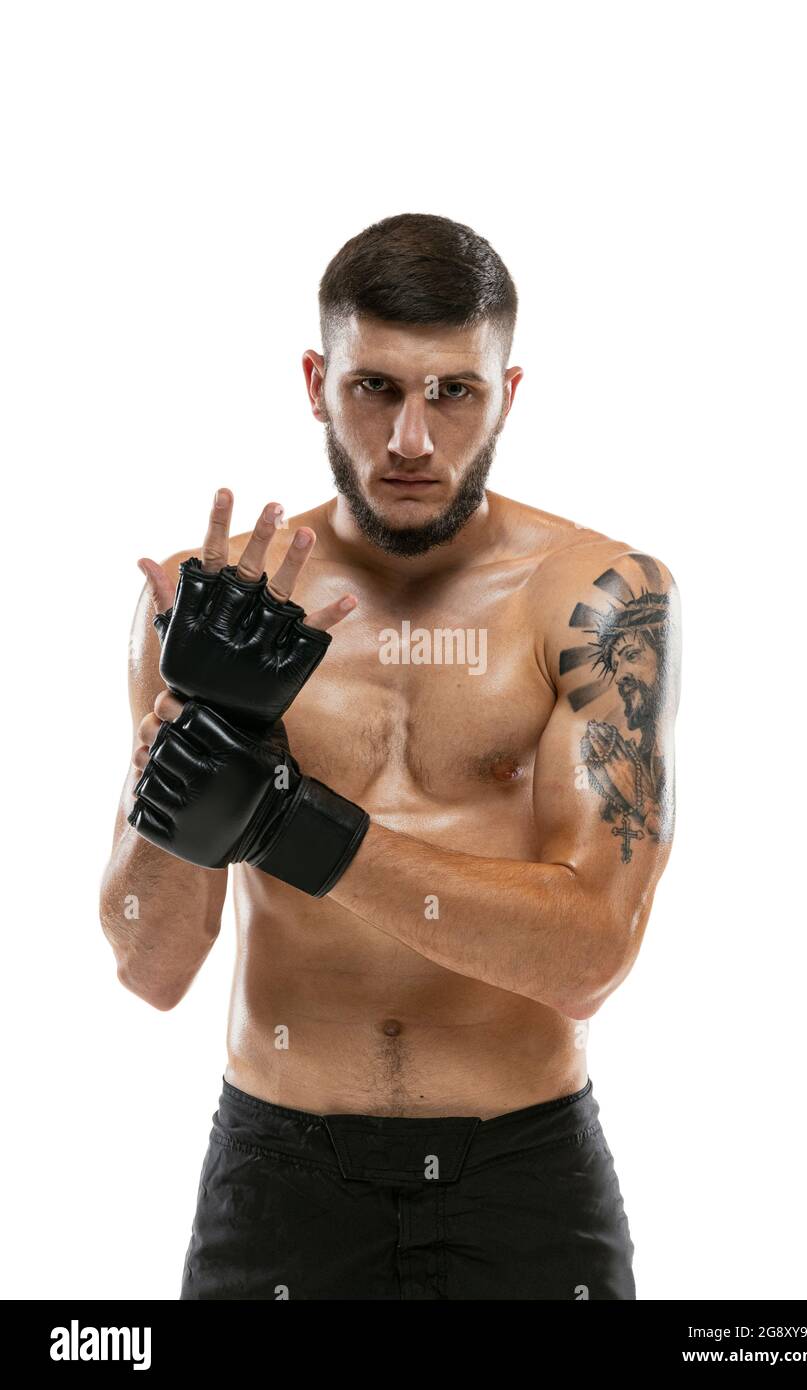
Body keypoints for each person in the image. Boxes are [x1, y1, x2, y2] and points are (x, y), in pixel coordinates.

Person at [100, 212, 681, 1300]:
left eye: (454, 391)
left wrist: (285, 821)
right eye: (375, 387)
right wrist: (194, 758)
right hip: (278, 1179)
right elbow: (152, 967)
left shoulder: (597, 602)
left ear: (508, 394)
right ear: (317, 383)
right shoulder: (210, 612)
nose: (412, 439)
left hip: (526, 1178)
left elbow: (590, 957)